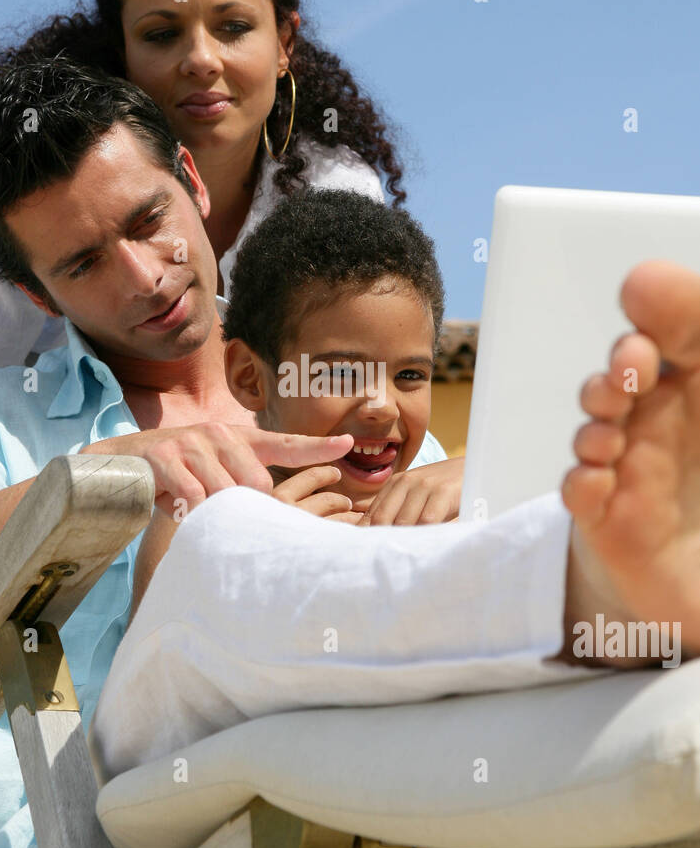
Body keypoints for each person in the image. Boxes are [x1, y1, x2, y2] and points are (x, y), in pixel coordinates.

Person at [0, 58, 700, 848]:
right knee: (217, 534)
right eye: (85, 262)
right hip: (114, 780)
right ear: (30, 289)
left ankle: (625, 584)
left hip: (370, 731)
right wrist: (97, 480)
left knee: (486, 509)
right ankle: (602, 588)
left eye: (148, 219)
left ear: (192, 181)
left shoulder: (337, 361)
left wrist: (492, 477)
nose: (143, 275)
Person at [0, 0, 406, 403]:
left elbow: (350, 386)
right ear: (121, 53)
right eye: (162, 34)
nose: (202, 59)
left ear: (284, 43)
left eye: (232, 26)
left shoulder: (336, 191)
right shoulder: (39, 208)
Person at [129, 185, 457, 606]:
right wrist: (264, 574)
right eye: (341, 374)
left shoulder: (445, 510)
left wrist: (495, 486)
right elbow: (157, 666)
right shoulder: (200, 517)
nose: (382, 406)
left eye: (410, 374)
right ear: (251, 378)